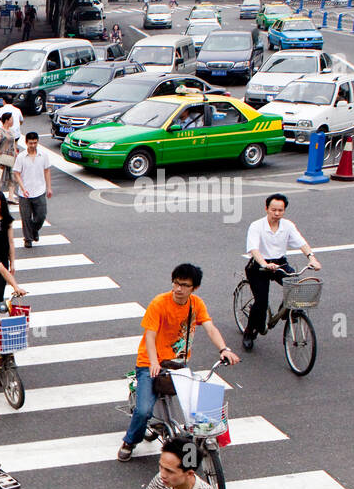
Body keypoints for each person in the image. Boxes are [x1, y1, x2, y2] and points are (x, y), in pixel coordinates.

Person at [118, 264, 240, 462]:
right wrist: (154, 362)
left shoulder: (196, 304)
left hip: (177, 365)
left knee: (200, 409)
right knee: (143, 411)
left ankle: (196, 453)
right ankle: (130, 441)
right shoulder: (159, 303)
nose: (178, 289)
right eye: (176, 283)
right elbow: (150, 336)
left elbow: (210, 328)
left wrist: (224, 349)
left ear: (194, 288)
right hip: (150, 362)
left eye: (184, 285)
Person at [243, 194, 320, 350]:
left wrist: (312, 258)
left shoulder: (287, 225)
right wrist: (265, 263)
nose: (277, 213)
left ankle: (285, 311)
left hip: (280, 263)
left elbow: (302, 243)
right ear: (266, 209)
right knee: (261, 303)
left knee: (296, 286)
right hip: (259, 266)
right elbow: (253, 249)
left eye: (280, 210)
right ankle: (249, 332)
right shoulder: (257, 226)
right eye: (273, 210)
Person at [12, 131, 52, 248]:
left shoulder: (43, 156)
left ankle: (34, 230)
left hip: (39, 190)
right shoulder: (21, 157)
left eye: (35, 143)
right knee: (26, 217)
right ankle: (28, 239)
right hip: (25, 193)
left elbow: (47, 171)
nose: (33, 145)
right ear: (26, 143)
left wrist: (49, 187)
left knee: (41, 215)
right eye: (31, 143)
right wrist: (23, 188)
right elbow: (17, 173)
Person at [0, 112, 19, 197]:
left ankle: (11, 196)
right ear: (7, 120)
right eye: (11, 119)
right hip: (2, 156)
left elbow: (14, 143)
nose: (13, 121)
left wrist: (16, 153)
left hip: (11, 156)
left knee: (13, 177)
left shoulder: (11, 131)